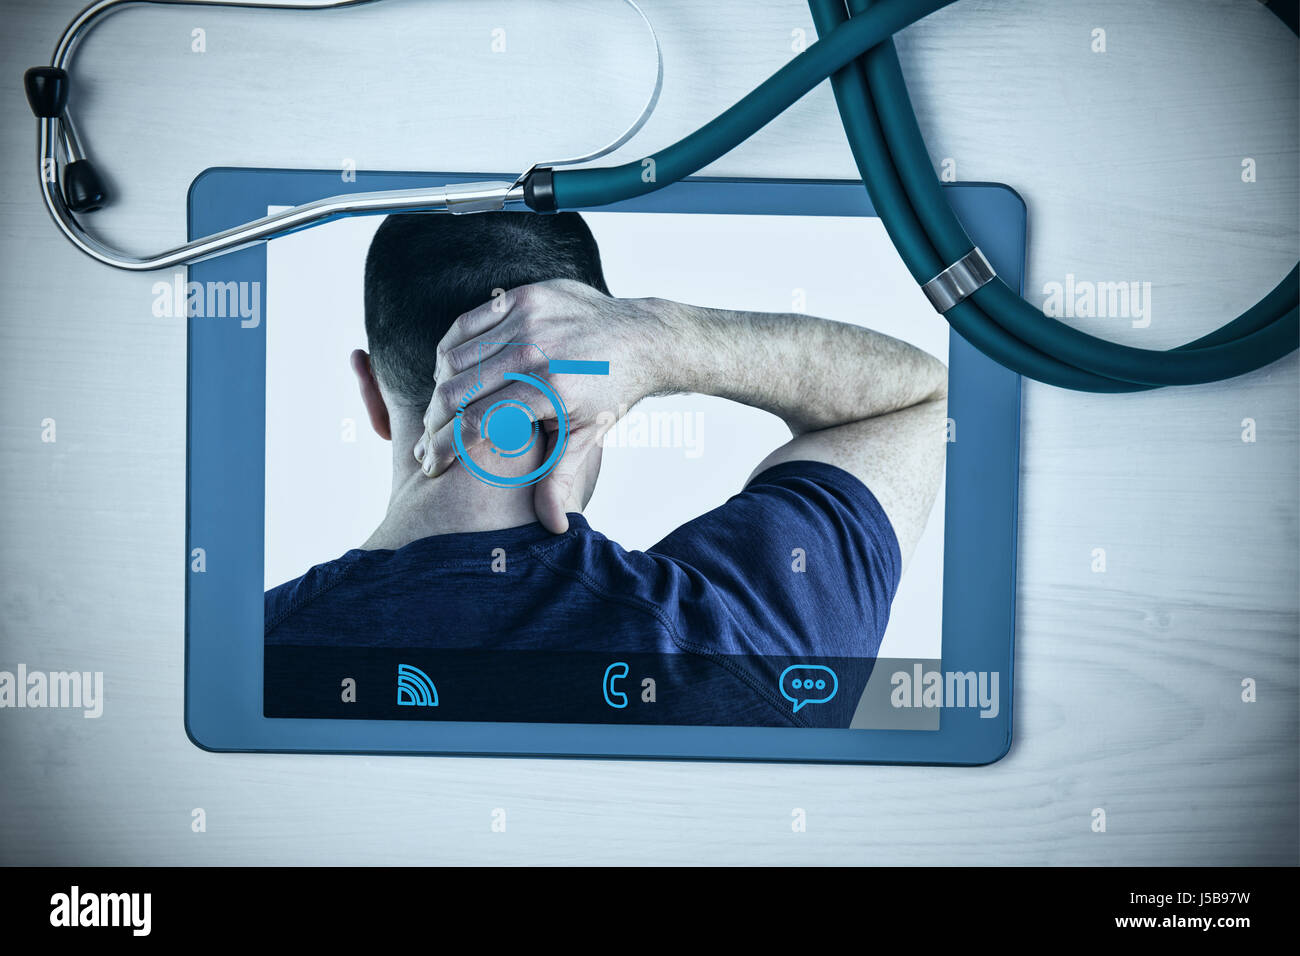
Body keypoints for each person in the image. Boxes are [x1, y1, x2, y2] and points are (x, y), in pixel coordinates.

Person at [264, 211, 947, 728]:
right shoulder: (753, 645)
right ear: (598, 392)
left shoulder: (229, 666)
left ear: (371, 396)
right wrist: (662, 339)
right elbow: (922, 402)